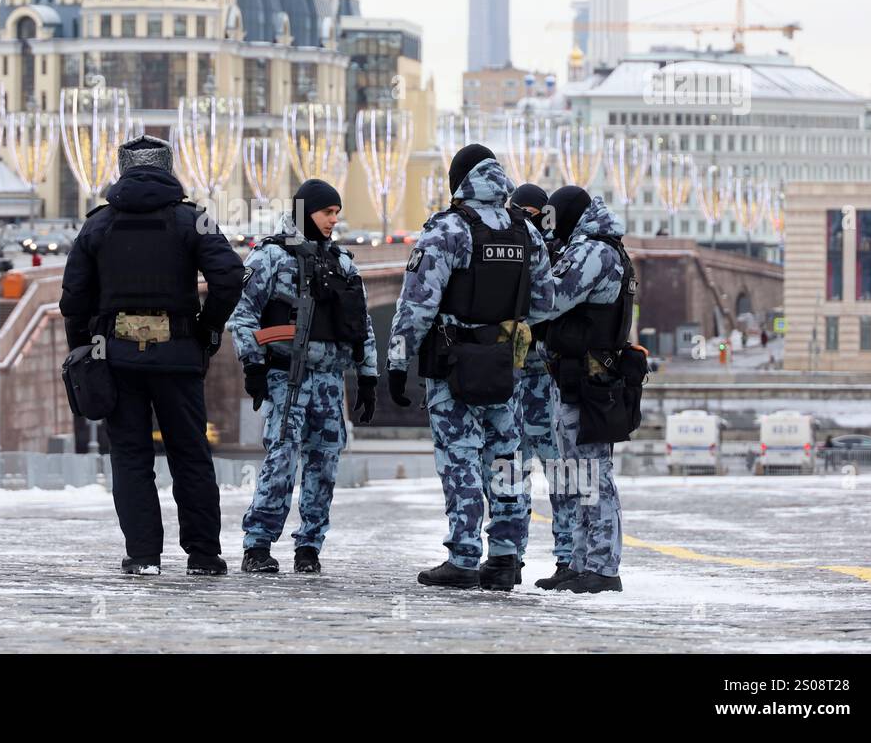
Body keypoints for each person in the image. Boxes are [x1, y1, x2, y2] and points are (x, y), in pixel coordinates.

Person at [59, 134, 243, 576]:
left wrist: (83, 350)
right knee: (191, 455)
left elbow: (74, 299)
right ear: (168, 167)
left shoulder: (98, 225)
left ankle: (143, 556)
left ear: (123, 169)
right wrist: (207, 328)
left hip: (115, 357)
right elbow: (231, 277)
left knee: (130, 456)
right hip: (179, 354)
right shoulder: (192, 220)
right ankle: (203, 556)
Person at [387, 146, 554, 590]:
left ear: (459, 180)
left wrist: (398, 363)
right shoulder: (526, 232)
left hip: (453, 364)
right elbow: (545, 303)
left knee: (459, 456)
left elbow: (415, 308)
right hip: (506, 367)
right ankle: (505, 559)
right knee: (506, 460)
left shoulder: (448, 229)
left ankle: (463, 557)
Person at [228, 178, 378, 574]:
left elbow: (362, 325)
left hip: (329, 381)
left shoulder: (344, 263)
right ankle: (257, 544)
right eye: (327, 212)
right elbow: (242, 316)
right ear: (305, 210)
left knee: (324, 466)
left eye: (336, 214)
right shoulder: (270, 257)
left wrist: (368, 377)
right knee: (281, 460)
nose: (333, 220)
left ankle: (309, 546)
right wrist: (253, 365)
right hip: (287, 377)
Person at [540, 185, 637, 593]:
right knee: (578, 476)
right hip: (581, 378)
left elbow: (550, 298)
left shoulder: (593, 251)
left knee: (593, 476)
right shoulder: (594, 246)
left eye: (552, 219)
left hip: (590, 381)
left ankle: (602, 567)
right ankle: (583, 564)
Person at [484, 183, 578, 589]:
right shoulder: (513, 250)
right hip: (510, 381)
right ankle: (509, 556)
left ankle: (568, 559)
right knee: (507, 475)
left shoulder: (556, 255)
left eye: (534, 212)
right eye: (520, 211)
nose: (528, 218)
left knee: (564, 479)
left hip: (547, 383)